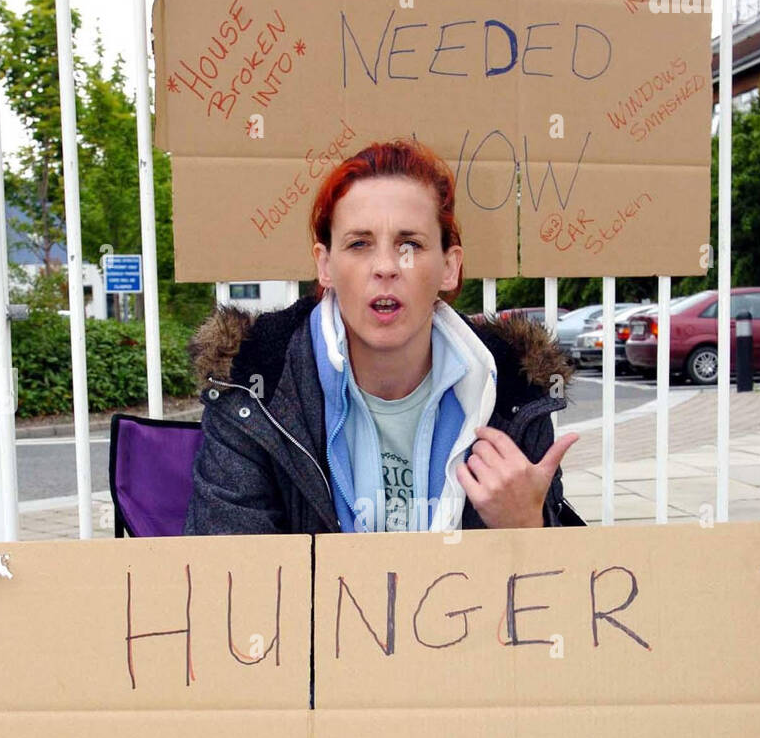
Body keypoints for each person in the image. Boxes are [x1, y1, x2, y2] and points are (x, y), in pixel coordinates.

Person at [183, 138, 582, 536]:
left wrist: (526, 527)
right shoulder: (252, 390)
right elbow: (227, 581)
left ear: (449, 266)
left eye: (409, 244)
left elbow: (549, 591)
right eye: (359, 244)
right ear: (325, 266)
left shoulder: (512, 391)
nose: (386, 267)